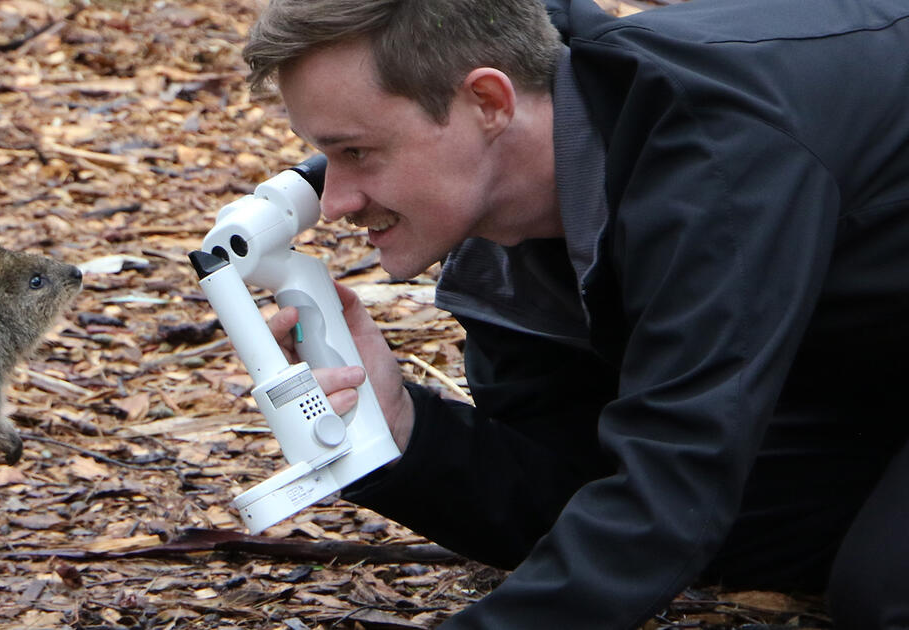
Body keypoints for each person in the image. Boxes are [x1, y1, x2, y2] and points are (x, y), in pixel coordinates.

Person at [241, 0, 909, 628]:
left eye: (356, 152)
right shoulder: (509, 239)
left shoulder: (714, 161)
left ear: (488, 101)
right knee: (738, 522)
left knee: (884, 592)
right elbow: (585, 501)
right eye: (326, 156)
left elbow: (668, 498)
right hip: (868, 360)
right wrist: (398, 427)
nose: (334, 202)